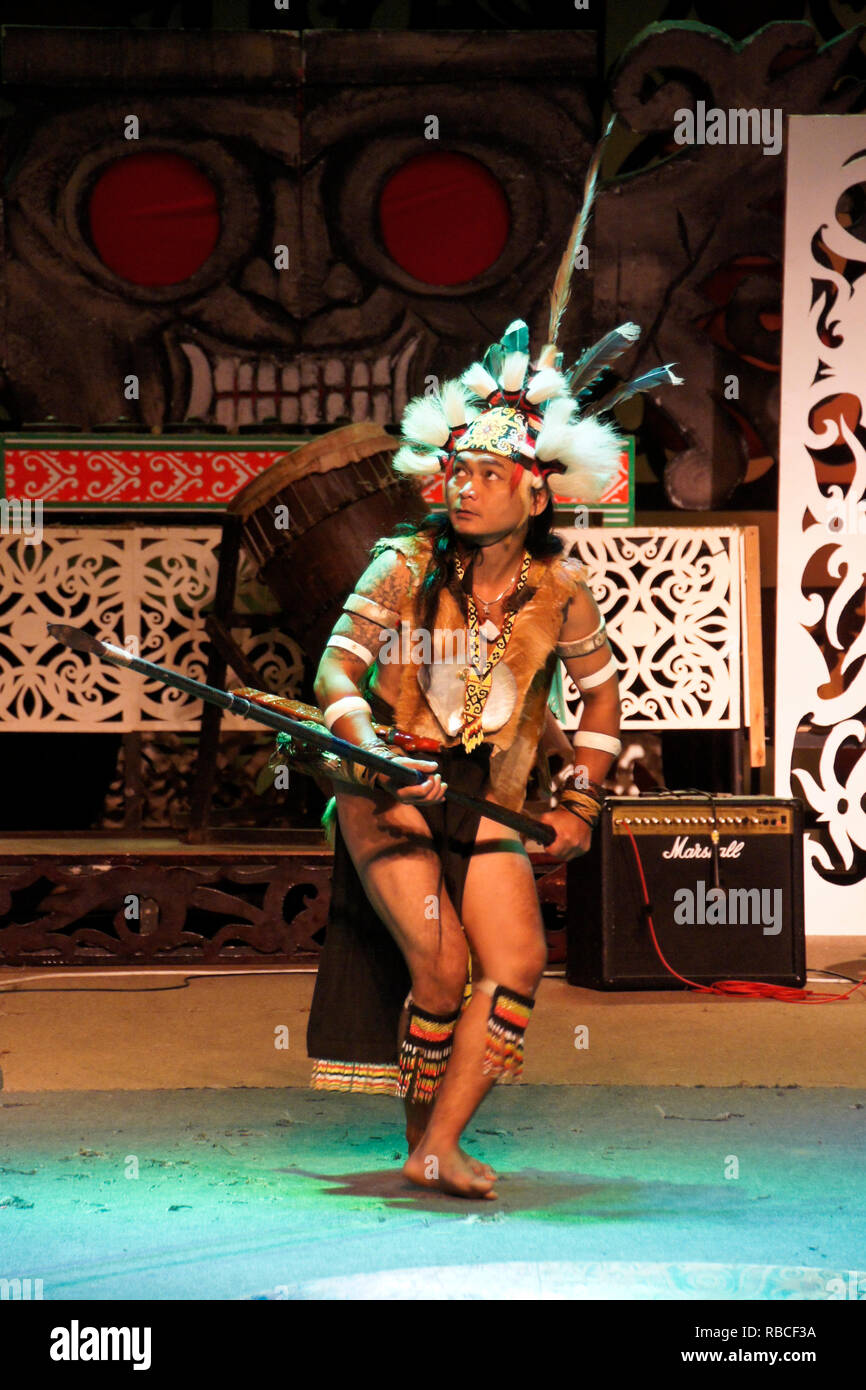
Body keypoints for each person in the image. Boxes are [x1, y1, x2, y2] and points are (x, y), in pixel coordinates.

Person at [304, 312, 682, 1199]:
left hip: (490, 792)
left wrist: (581, 801)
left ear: (537, 494)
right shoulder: (402, 563)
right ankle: (422, 1139)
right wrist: (375, 755)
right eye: (458, 472)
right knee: (439, 966)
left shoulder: (562, 592)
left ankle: (437, 1144)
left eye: (488, 475)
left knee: (513, 967)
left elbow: (600, 696)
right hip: (384, 785)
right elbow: (335, 670)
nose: (464, 489)